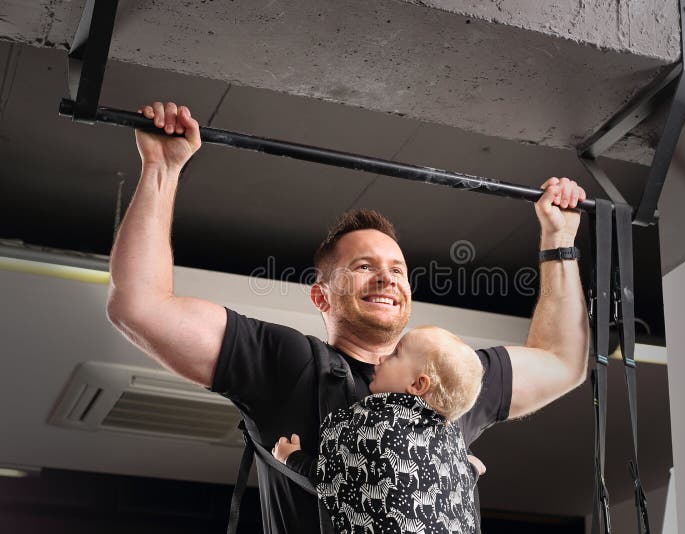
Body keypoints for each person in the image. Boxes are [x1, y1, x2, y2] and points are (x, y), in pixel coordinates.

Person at [106, 101, 589, 534]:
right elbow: (140, 305)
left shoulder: (449, 373)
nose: (387, 279)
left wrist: (560, 240)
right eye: (363, 267)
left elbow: (563, 360)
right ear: (322, 297)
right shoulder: (288, 365)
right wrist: (161, 169)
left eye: (397, 270)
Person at [272, 326, 484, 533]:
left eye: (395, 354)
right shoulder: (450, 440)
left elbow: (333, 479)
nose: (381, 358)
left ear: (418, 385)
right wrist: (469, 470)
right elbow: (451, 498)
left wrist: (292, 458)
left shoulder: (377, 426)